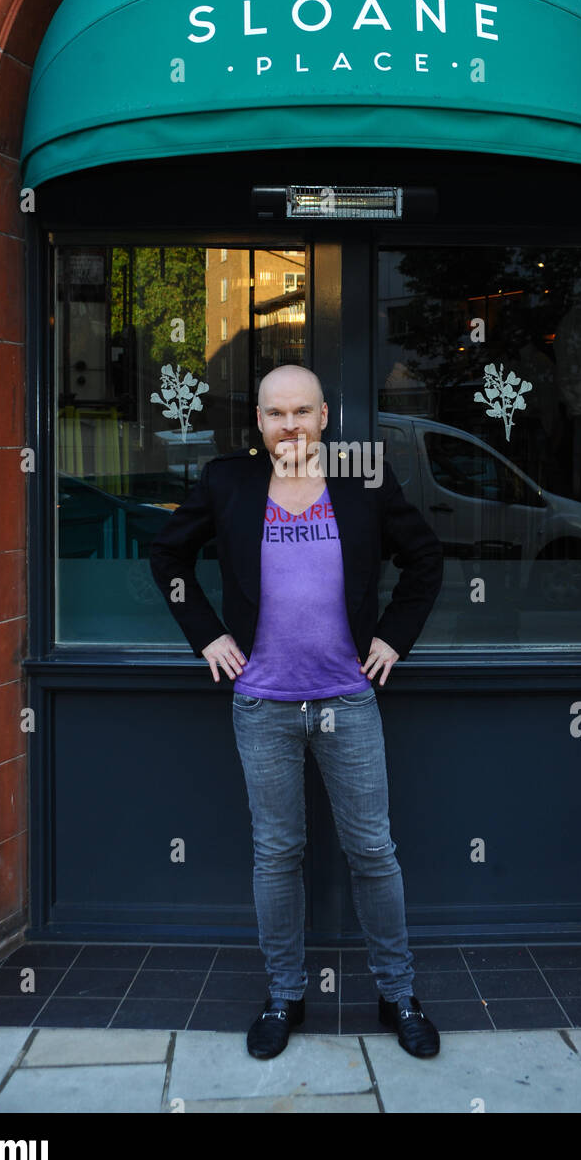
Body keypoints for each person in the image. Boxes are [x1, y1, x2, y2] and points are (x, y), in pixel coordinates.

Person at [149, 364, 443, 1059]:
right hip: (262, 703)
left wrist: (392, 639)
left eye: (302, 412)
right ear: (258, 420)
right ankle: (284, 996)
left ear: (323, 417)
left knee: (372, 851)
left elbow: (425, 558)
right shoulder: (228, 481)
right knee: (276, 854)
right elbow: (167, 555)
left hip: (347, 697)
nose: (289, 425)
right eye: (276, 413)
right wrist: (208, 635)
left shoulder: (363, 482)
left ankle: (398, 994)